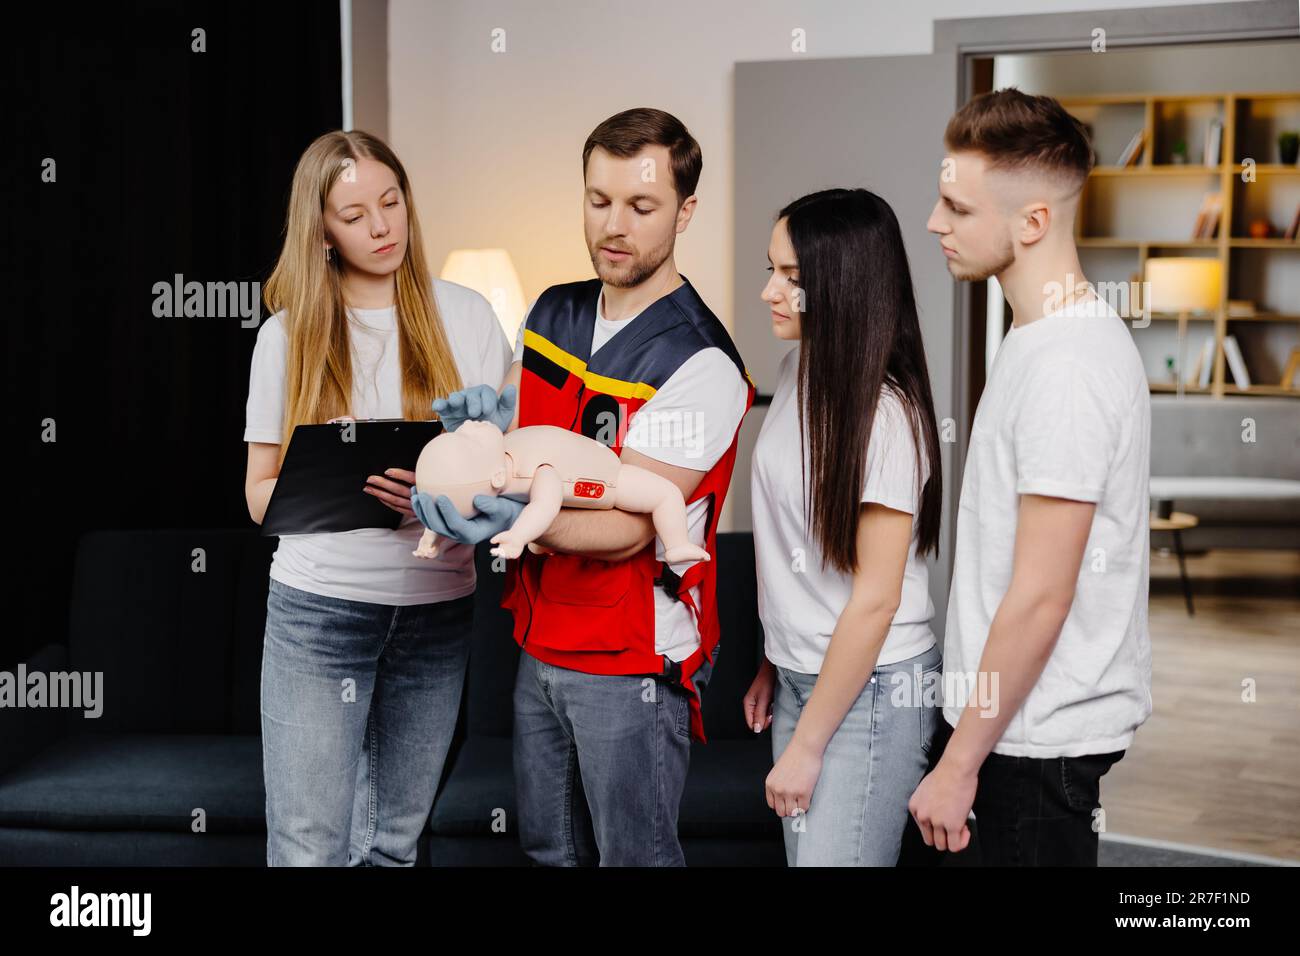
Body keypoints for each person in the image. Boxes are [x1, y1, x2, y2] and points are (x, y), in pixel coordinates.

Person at [415, 108, 754, 866]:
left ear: (685, 210)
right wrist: (462, 458)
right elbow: (505, 429)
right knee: (548, 852)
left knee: (633, 859)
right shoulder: (551, 311)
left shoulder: (700, 362)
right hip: (540, 642)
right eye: (598, 200)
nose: (614, 224)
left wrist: (518, 515)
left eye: (641, 205)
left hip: (628, 659)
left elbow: (632, 528)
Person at [243, 130, 512, 865]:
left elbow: (509, 467)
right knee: (309, 848)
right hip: (320, 612)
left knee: (394, 844)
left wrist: (440, 491)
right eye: (355, 214)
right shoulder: (287, 336)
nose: (382, 227)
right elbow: (259, 498)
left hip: (437, 612)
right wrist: (343, 483)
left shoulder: (468, 317)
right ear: (322, 231)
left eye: (391, 203)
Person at [909, 88, 1152, 866]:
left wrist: (958, 764)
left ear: (1033, 222)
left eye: (957, 206)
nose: (934, 222)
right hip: (1007, 733)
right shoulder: (1037, 337)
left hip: (1029, 746)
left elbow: (1045, 591)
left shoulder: (1067, 366)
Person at [744, 188, 945, 866]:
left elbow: (876, 599)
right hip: (808, 676)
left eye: (792, 279)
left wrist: (805, 747)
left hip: (873, 690)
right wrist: (776, 656)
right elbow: (800, 546)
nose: (771, 291)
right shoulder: (797, 367)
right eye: (771, 269)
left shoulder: (885, 417)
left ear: (843, 286)